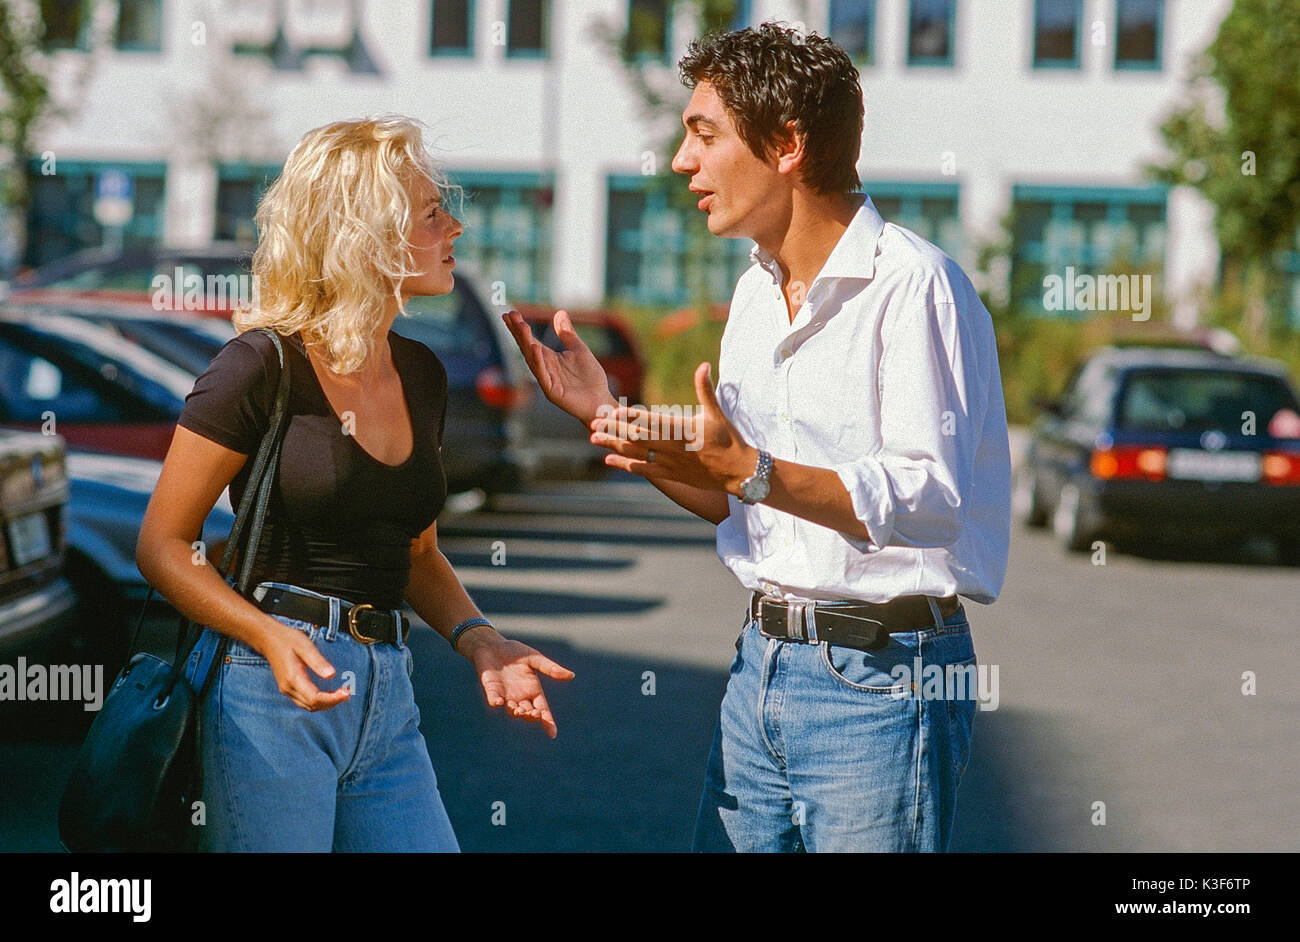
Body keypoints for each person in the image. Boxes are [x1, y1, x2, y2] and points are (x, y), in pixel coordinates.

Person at [503, 24, 1009, 852]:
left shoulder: (917, 287)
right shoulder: (753, 292)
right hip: (761, 668)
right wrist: (612, 414)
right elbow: (731, 490)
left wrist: (757, 472)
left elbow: (931, 501)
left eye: (703, 133)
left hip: (882, 680)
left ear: (787, 144)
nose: (680, 161)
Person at [137, 116, 573, 853]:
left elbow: (418, 553)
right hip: (270, 692)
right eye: (433, 214)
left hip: (388, 689)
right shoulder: (257, 366)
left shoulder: (423, 374)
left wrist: (482, 641)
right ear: (363, 235)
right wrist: (265, 636)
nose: (456, 227)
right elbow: (163, 545)